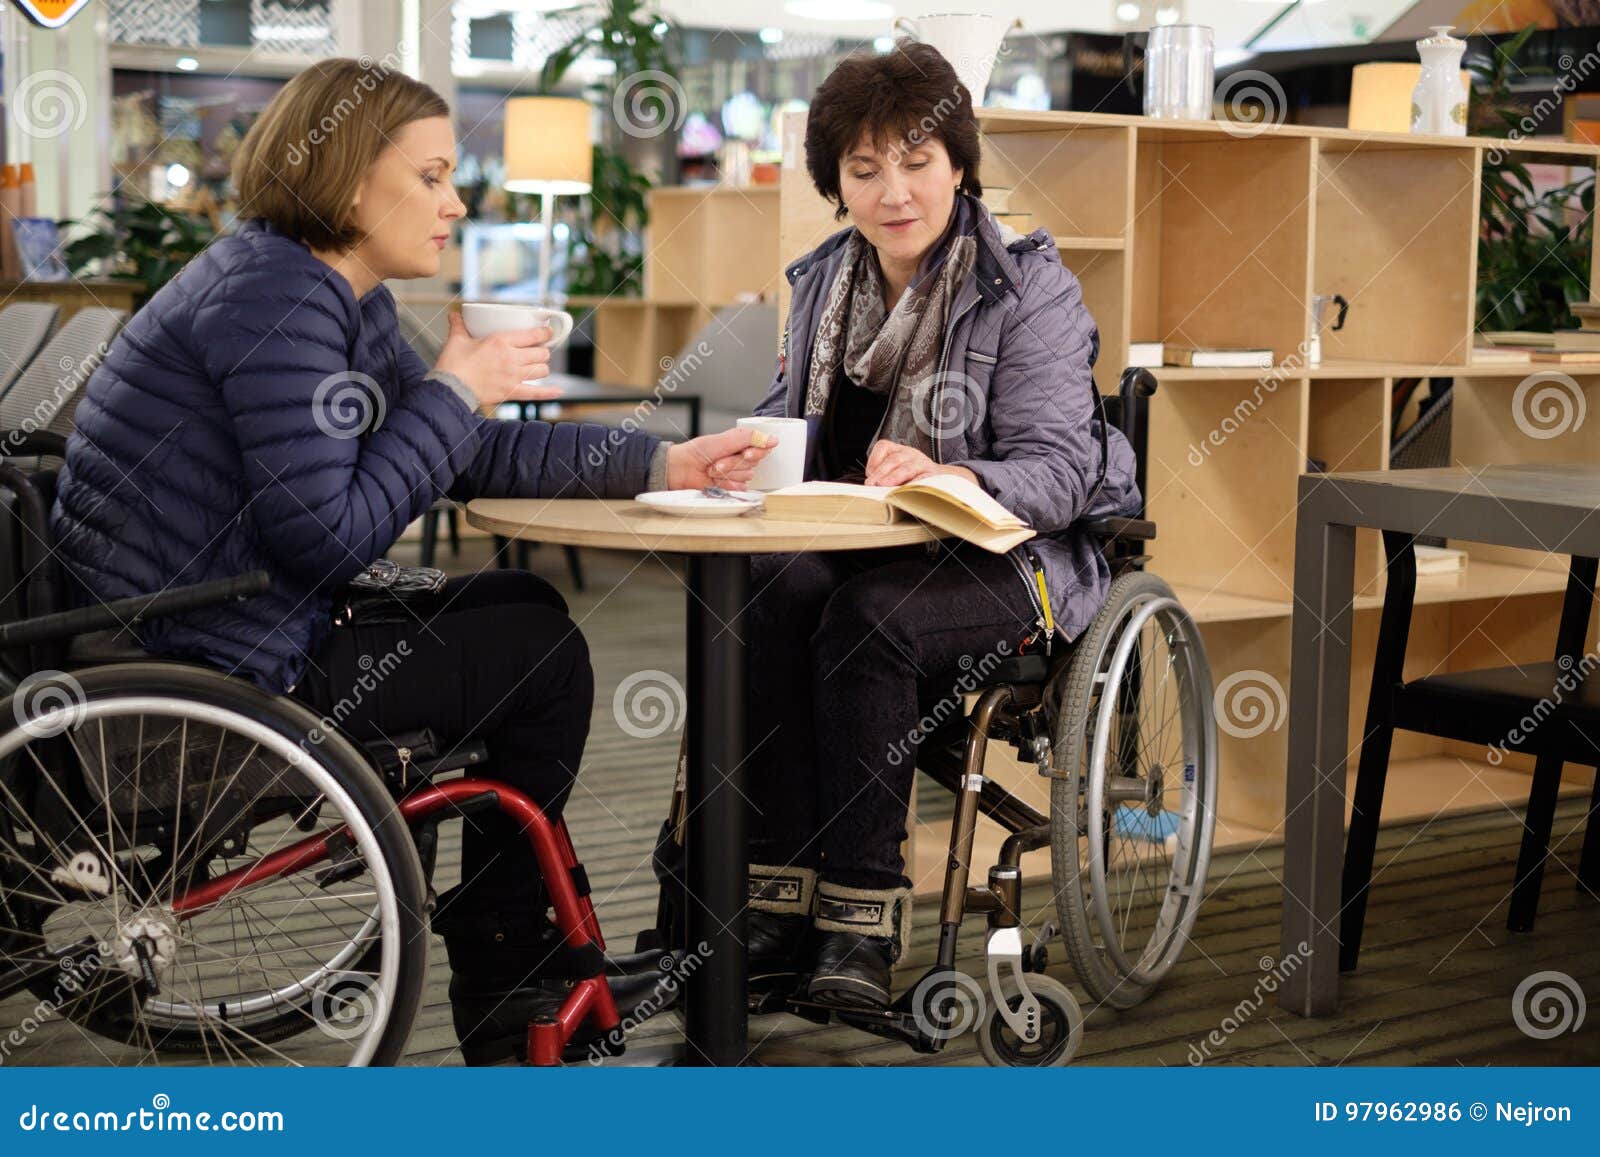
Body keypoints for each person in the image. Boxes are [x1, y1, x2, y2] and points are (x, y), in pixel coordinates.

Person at [48, 58, 773, 1064]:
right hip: (210, 666)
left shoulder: (317, 287)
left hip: (212, 621)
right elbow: (334, 531)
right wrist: (453, 390)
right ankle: (510, 969)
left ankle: (513, 960)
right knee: (536, 650)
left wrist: (662, 458)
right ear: (349, 180)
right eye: (430, 175)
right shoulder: (279, 301)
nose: (455, 201)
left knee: (521, 604)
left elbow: (467, 452)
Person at [742, 42, 1140, 1009]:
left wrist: (951, 470)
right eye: (865, 169)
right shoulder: (822, 283)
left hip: (1013, 558)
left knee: (867, 622)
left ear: (958, 164)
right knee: (761, 587)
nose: (894, 191)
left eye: (917, 162)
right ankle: (771, 898)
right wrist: (750, 453)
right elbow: (797, 423)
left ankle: (859, 926)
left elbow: (1058, 472)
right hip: (861, 549)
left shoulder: (1025, 286)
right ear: (835, 182)